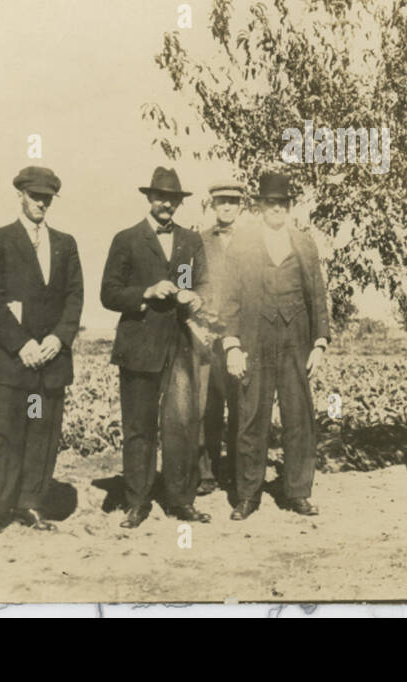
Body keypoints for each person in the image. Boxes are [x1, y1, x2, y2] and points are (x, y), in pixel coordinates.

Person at [0, 166, 83, 544]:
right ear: (20, 195)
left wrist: (59, 339)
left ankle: (31, 502)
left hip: (48, 366)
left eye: (47, 198)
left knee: (40, 430)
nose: (41, 203)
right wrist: (22, 344)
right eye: (35, 196)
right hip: (10, 364)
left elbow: (73, 297)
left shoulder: (65, 243)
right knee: (4, 432)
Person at [100, 167, 208, 528]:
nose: (166, 203)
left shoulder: (190, 241)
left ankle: (181, 500)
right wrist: (145, 293)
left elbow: (202, 284)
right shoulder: (127, 239)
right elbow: (109, 293)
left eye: (173, 198)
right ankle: (138, 501)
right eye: (160, 196)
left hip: (179, 344)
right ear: (149, 198)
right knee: (139, 427)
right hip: (139, 343)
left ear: (179, 202)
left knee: (181, 424)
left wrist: (194, 296)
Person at [219, 172, 330, 520]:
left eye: (282, 203)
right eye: (271, 203)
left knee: (299, 417)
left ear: (289, 206)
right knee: (252, 418)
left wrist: (320, 342)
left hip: (296, 340)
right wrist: (232, 345)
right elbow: (229, 294)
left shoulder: (304, 242)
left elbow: (317, 294)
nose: (277, 209)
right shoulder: (243, 242)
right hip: (255, 338)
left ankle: (297, 492)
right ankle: (248, 495)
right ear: (261, 206)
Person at [193, 180, 245, 495]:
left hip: (238, 337)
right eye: (220, 202)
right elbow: (186, 281)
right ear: (212, 206)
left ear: (240, 206)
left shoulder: (254, 243)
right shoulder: (197, 242)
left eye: (231, 202)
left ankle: (238, 472)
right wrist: (194, 314)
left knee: (240, 404)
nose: (226, 207)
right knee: (206, 406)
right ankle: (206, 472)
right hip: (206, 335)